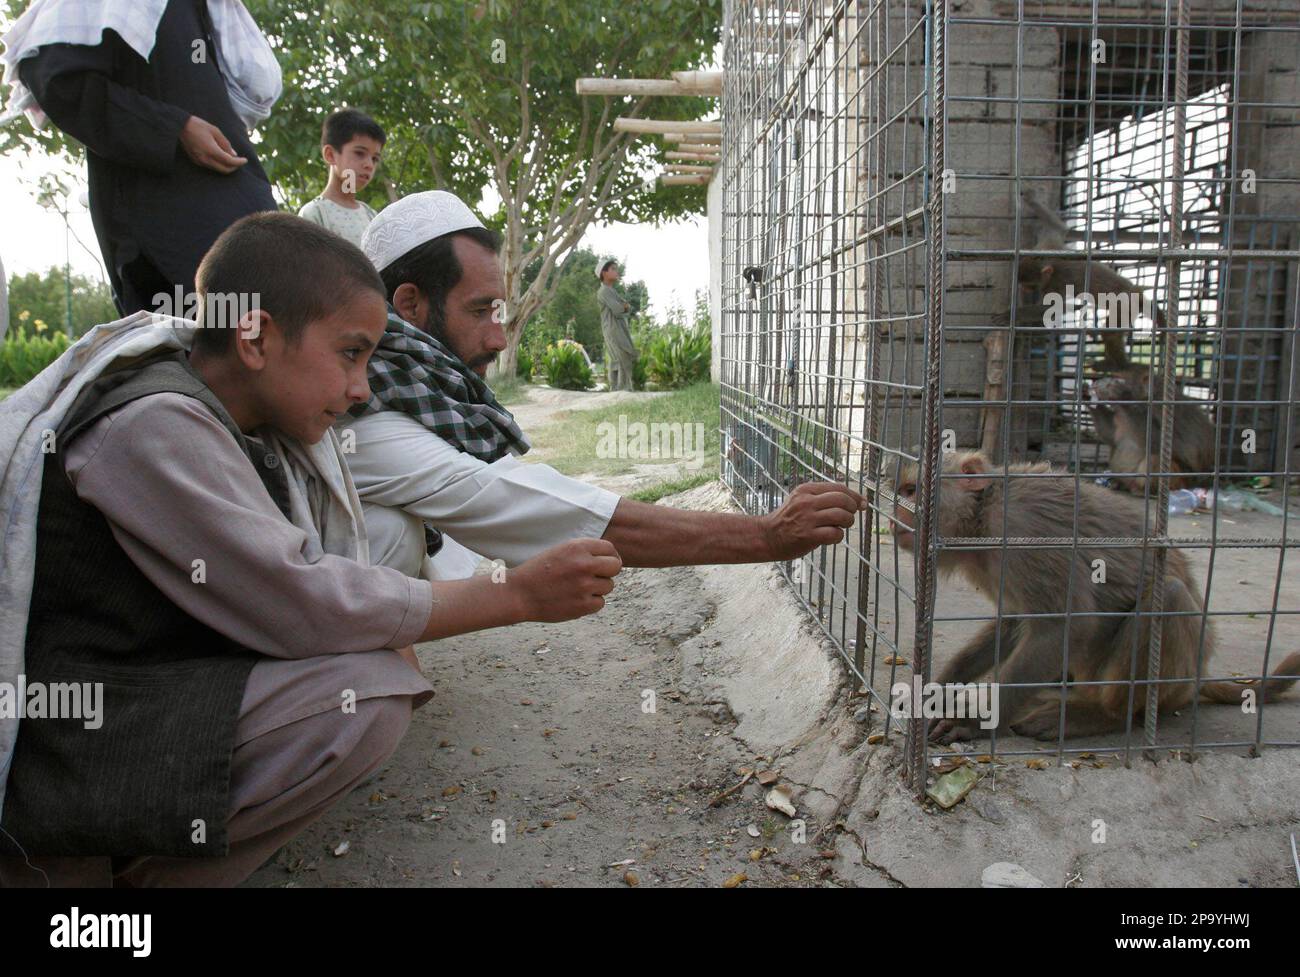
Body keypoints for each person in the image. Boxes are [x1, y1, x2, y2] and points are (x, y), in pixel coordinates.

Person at [0, 213, 620, 887]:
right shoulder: (154, 425)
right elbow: (299, 598)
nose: (363, 387)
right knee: (367, 695)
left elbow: (313, 579)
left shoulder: (240, 416)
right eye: (350, 353)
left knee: (373, 658)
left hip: (135, 690)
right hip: (64, 733)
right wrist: (516, 595)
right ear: (257, 338)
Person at [343, 190, 865, 585]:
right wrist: (765, 536)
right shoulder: (358, 402)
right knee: (388, 532)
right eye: (480, 311)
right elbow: (515, 503)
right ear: (409, 304)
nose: (499, 338)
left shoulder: (408, 379)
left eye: (498, 310)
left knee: (408, 535)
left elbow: (505, 485)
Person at [0, 0, 282, 316]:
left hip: (245, 224)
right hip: (167, 235)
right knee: (211, 348)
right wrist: (176, 130)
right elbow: (56, 78)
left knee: (285, 329)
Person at [297, 108, 384, 248]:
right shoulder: (314, 214)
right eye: (359, 153)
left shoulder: (371, 216)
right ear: (330, 155)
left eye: (375, 159)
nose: (369, 165)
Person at [596, 259, 638, 391]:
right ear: (604, 273)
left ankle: (616, 390)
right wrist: (624, 306)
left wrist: (624, 306)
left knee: (617, 360)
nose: (616, 271)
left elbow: (626, 307)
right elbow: (619, 309)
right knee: (622, 358)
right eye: (613, 269)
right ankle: (622, 391)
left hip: (618, 329)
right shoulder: (603, 291)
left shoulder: (612, 291)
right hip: (613, 330)